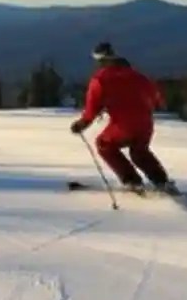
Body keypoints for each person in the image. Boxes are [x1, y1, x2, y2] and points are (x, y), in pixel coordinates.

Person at [70, 42, 178, 194]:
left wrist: (82, 124)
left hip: (123, 125)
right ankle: (162, 182)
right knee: (139, 151)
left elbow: (92, 108)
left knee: (104, 144)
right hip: (145, 124)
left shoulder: (100, 79)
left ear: (99, 60)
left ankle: (132, 182)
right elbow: (156, 98)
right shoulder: (138, 75)